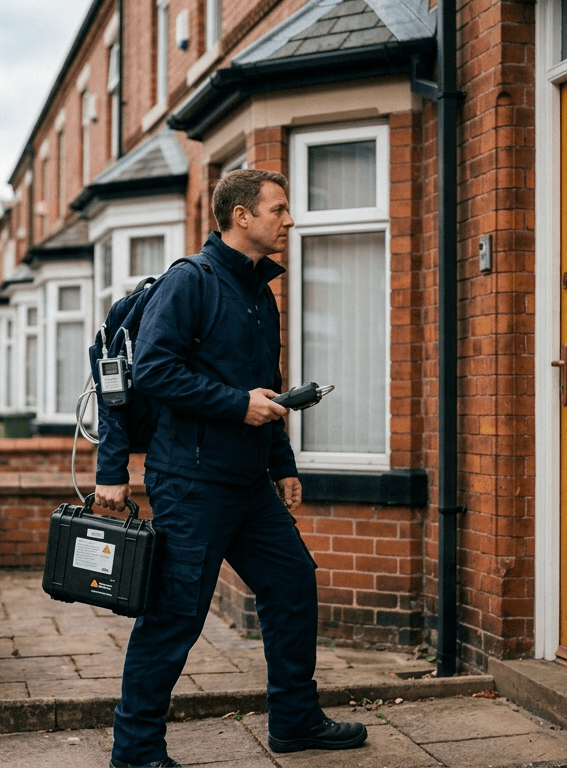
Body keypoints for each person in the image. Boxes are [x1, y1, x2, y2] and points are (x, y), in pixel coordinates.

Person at [94, 169, 368, 768]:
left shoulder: (257, 292)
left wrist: (282, 462)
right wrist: (234, 404)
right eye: (279, 208)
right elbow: (155, 372)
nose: (289, 220)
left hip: (247, 483)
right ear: (241, 216)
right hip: (190, 482)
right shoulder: (190, 283)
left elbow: (263, 390)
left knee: (292, 584)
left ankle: (294, 718)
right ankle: (136, 750)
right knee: (175, 615)